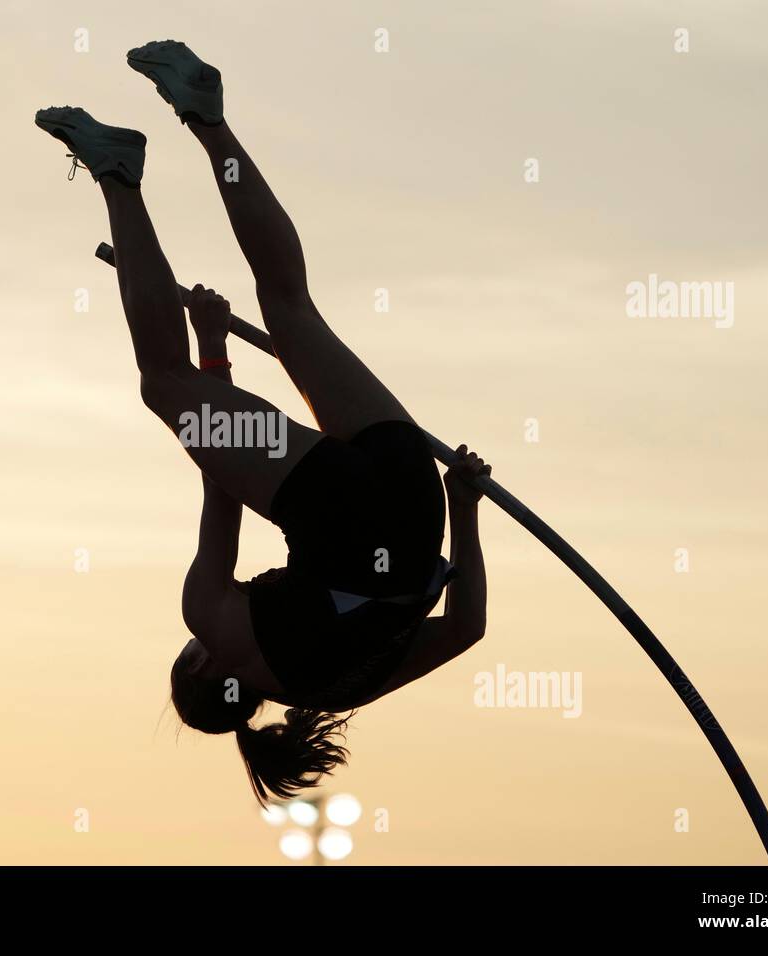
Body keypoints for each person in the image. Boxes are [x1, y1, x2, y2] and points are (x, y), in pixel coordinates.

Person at [35, 40, 489, 804]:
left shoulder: (344, 691)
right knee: (173, 375)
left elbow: (467, 625)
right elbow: (220, 482)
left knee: (290, 313)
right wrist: (211, 353)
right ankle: (139, 161)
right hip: (339, 508)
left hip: (415, 502)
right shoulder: (217, 627)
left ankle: (199, 122)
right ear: (208, 669)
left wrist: (466, 506)